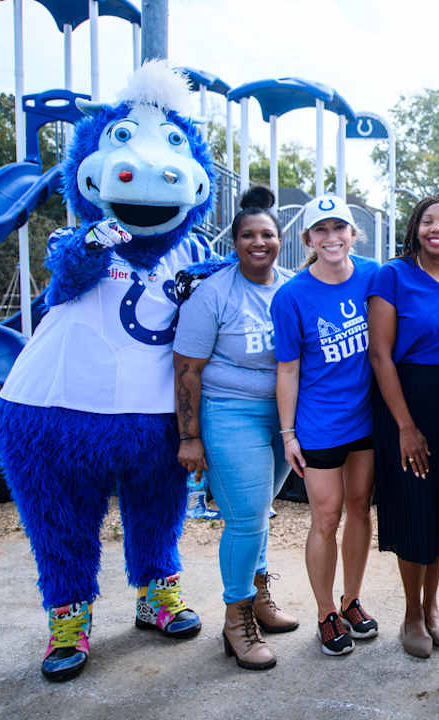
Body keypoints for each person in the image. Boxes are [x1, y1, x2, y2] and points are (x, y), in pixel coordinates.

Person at [174, 186, 298, 670]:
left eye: (267, 233)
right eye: (248, 234)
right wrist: (190, 436)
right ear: (236, 240)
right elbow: (187, 369)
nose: (258, 242)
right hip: (231, 413)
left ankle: (260, 595)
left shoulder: (292, 287)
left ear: (280, 239)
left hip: (282, 419)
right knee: (246, 518)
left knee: (261, 511)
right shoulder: (214, 293)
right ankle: (236, 618)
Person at [368, 194, 439, 658]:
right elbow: (380, 354)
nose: (438, 229)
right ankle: (411, 613)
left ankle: (433, 608)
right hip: (406, 398)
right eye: (429, 220)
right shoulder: (390, 276)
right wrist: (405, 427)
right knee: (414, 508)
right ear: (414, 227)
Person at [270, 195, 380, 657]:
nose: (332, 237)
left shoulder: (375, 275)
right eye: (321, 230)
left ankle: (351, 600)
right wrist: (288, 434)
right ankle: (324, 612)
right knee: (326, 516)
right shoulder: (292, 296)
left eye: (340, 228)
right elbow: (288, 370)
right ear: (308, 240)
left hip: (367, 420)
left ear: (353, 235)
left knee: (360, 509)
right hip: (319, 425)